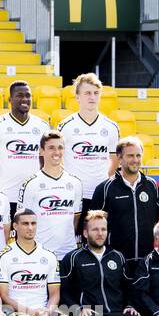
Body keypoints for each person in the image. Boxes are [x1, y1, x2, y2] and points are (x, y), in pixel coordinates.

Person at [57, 72, 119, 218]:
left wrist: (105, 187)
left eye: (96, 93)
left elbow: (114, 161)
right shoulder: (65, 126)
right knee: (75, 238)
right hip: (73, 194)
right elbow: (56, 160)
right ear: (77, 97)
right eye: (87, 93)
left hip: (101, 194)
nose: (92, 97)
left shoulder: (111, 127)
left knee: (98, 238)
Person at [0, 80, 49, 213]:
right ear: (10, 99)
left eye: (28, 95)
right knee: (9, 234)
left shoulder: (42, 126)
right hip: (6, 197)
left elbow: (45, 162)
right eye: (19, 95)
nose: (25, 99)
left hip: (35, 197)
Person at [92, 137, 159, 262]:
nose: (135, 160)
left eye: (138, 155)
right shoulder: (104, 188)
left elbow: (154, 218)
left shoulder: (152, 186)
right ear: (119, 157)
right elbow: (94, 225)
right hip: (114, 261)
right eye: (130, 156)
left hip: (145, 261)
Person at [17, 130, 84, 256]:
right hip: (40, 254)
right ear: (41, 151)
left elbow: (75, 221)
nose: (56, 152)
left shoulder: (75, 183)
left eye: (60, 147)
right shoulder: (30, 184)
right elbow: (22, 223)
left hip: (68, 254)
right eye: (51, 148)